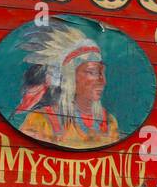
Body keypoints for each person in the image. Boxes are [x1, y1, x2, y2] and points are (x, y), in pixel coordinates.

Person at [13, 18, 119, 149]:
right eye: (92, 72)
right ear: (69, 77)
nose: (102, 81)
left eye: (102, 73)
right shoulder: (40, 121)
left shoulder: (109, 122)